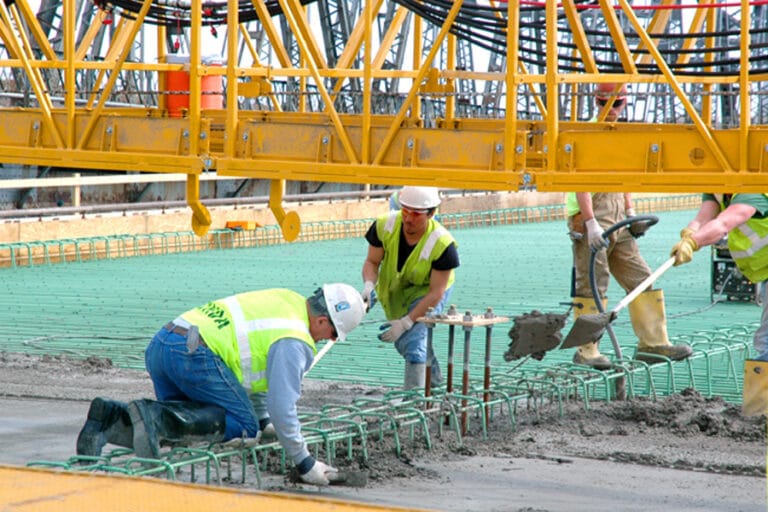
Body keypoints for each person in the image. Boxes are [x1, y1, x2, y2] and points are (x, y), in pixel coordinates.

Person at [76, 283, 365, 486]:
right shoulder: (296, 339)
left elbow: (258, 361)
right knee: (240, 424)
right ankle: (156, 417)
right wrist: (304, 463)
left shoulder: (287, 299)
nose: (327, 340)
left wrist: (264, 420)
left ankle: (110, 419)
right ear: (323, 319)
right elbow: (282, 405)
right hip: (194, 355)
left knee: (184, 425)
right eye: (332, 334)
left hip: (163, 344)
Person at [565, 83, 692, 370]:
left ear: (624, 103)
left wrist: (632, 211)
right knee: (593, 285)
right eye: (603, 103)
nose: (610, 110)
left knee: (642, 278)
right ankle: (586, 351)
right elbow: (579, 181)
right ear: (595, 102)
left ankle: (653, 343)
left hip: (619, 217)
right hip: (591, 219)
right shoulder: (587, 133)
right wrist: (590, 222)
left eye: (617, 104)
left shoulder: (622, 133)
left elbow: (625, 176)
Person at [670, 193, 768, 414]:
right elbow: (704, 216)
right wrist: (690, 233)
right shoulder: (718, 188)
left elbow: (724, 223)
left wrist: (695, 242)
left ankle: (758, 413)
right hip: (764, 267)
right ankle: (758, 412)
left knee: (767, 341)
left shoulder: (751, 191)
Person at [361, 186, 459, 390]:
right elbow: (372, 262)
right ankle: (434, 385)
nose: (408, 219)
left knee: (413, 339)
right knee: (410, 339)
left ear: (431, 213)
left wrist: (406, 322)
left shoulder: (443, 244)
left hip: (428, 292)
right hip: (399, 288)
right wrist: (369, 285)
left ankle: (413, 405)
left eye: (416, 214)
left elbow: (435, 293)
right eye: (405, 211)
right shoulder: (384, 225)